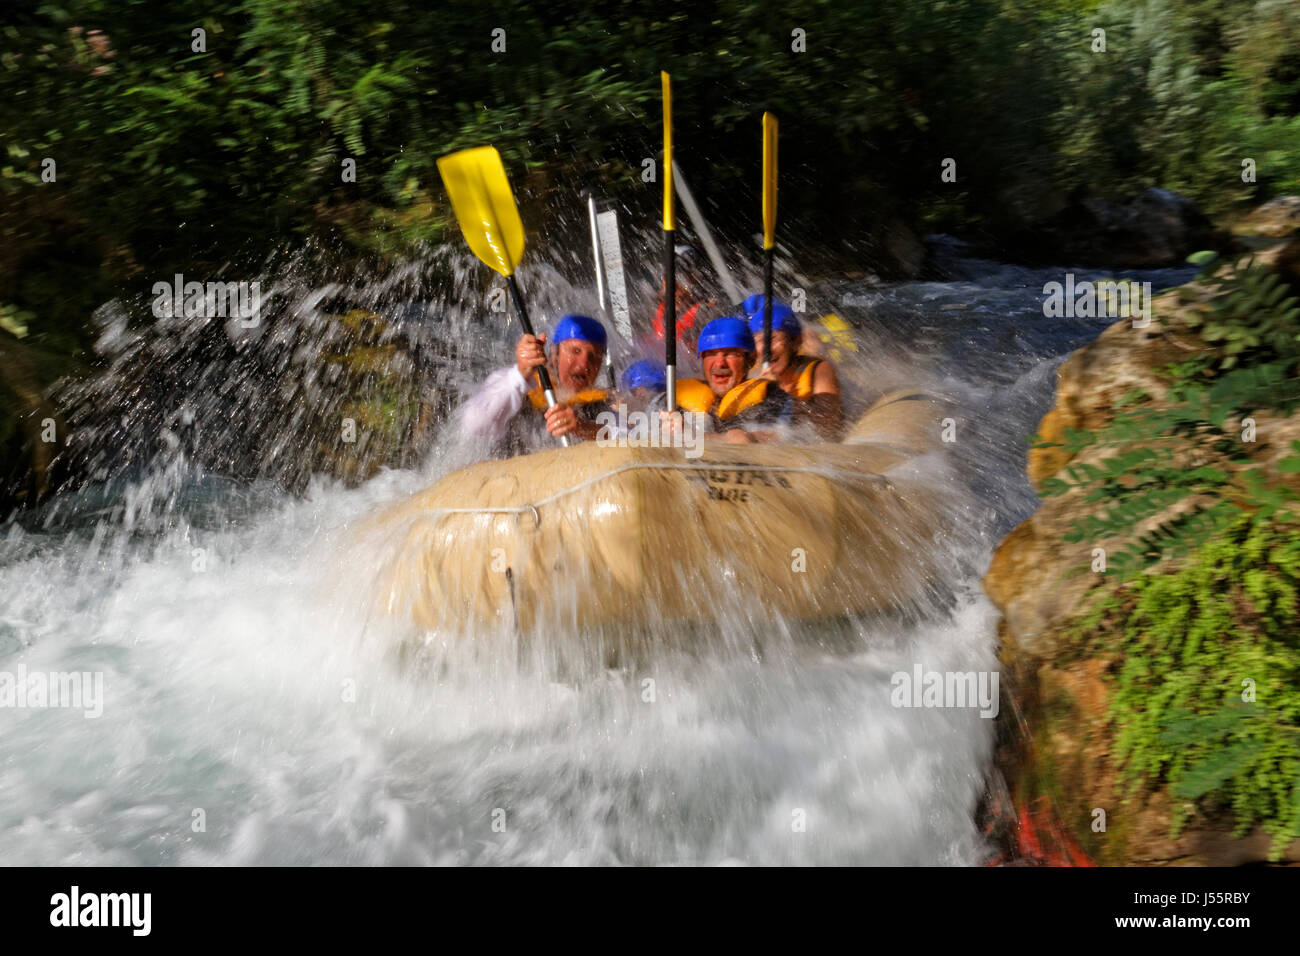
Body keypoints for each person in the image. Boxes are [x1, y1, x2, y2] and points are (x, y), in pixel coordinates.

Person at [458, 314, 611, 456]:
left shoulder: (605, 403)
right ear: (555, 354)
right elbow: (473, 424)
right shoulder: (515, 382)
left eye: (594, 356)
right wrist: (520, 375)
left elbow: (628, 440)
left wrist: (584, 427)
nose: (584, 363)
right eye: (575, 351)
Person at [667, 316, 790, 443]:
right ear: (702, 360)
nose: (720, 363)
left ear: (751, 360)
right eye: (711, 354)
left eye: (730, 353)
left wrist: (689, 436)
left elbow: (786, 436)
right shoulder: (673, 401)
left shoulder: (774, 401)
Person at [742, 296, 844, 439]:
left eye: (772, 339)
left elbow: (828, 425)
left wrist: (780, 396)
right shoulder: (751, 375)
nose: (766, 349)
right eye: (759, 341)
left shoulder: (819, 370)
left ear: (796, 342)